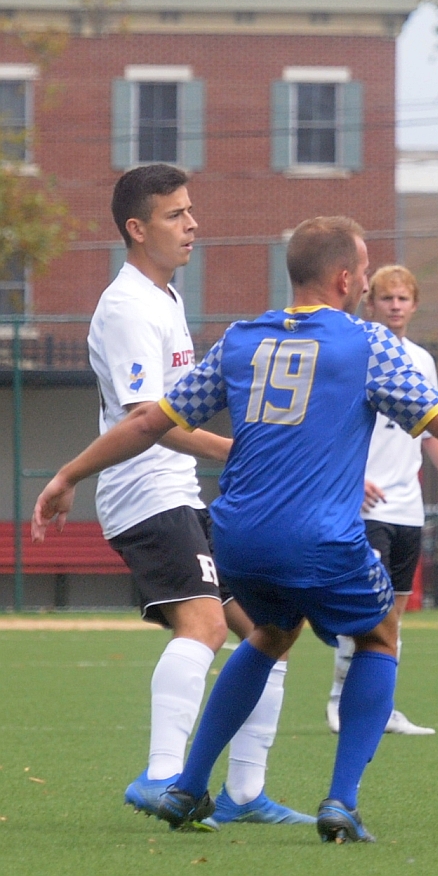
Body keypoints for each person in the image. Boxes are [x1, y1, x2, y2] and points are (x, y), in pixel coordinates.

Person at [33, 216, 438, 842]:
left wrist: (69, 473)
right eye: (365, 272)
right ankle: (341, 801)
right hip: (319, 538)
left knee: (270, 634)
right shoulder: (369, 344)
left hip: (235, 536)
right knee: (380, 636)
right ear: (344, 279)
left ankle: (185, 786)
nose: (368, 284)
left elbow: (150, 422)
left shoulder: (240, 339)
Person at [69, 165, 307, 828]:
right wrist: (237, 450)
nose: (193, 224)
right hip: (144, 495)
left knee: (271, 633)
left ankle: (244, 793)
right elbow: (149, 419)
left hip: (181, 494)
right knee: (202, 625)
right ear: (136, 229)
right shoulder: (127, 307)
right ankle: (161, 775)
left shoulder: (166, 297)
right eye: (176, 215)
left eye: (191, 210)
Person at [325, 264, 438, 736]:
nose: (395, 306)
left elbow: (433, 429)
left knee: (395, 612)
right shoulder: (355, 353)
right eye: (386, 298)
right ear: (370, 303)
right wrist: (350, 478)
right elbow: (331, 426)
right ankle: (340, 699)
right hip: (363, 506)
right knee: (367, 604)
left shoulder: (421, 361)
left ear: (414, 305)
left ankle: (380, 708)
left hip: (406, 504)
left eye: (403, 299)